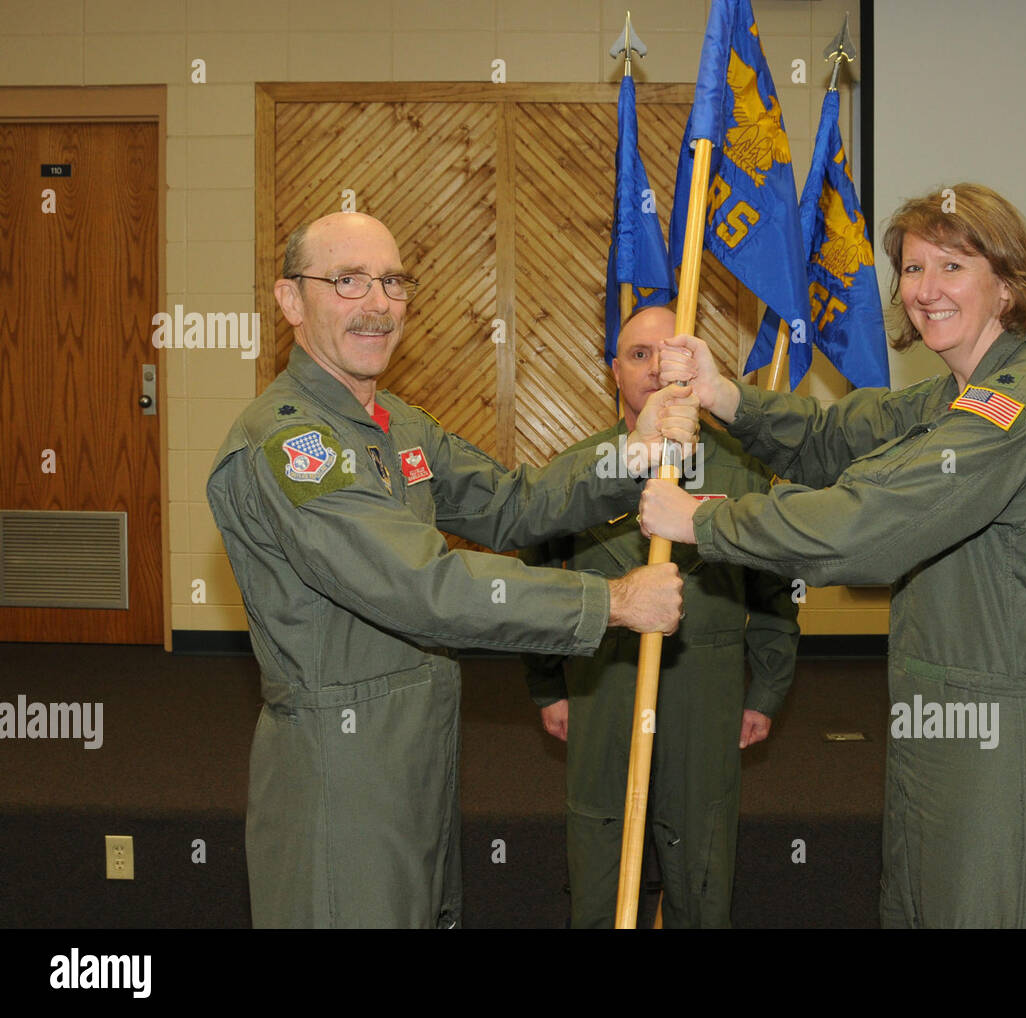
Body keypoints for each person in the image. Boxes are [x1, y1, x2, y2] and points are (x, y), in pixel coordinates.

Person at [206, 212, 697, 928]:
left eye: (392, 282)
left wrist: (630, 452)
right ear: (290, 300)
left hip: (422, 752)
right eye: (347, 281)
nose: (377, 304)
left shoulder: (398, 424)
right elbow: (422, 586)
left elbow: (512, 505)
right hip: (341, 772)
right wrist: (611, 601)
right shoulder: (290, 443)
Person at [639, 183, 1026, 928]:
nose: (924, 291)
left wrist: (707, 520)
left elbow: (868, 525)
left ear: (1009, 287)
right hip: (937, 731)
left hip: (1001, 748)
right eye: (913, 270)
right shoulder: (947, 398)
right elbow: (831, 439)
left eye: (951, 267)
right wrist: (724, 396)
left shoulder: (1013, 411)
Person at [521, 305, 800, 928]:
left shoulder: (740, 470)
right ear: (613, 370)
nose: (653, 369)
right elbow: (540, 578)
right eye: (637, 354)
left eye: (668, 354)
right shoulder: (580, 469)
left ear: (692, 367)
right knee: (599, 844)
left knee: (701, 851)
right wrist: (547, 686)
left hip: (708, 684)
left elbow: (775, 590)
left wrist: (768, 689)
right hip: (603, 681)